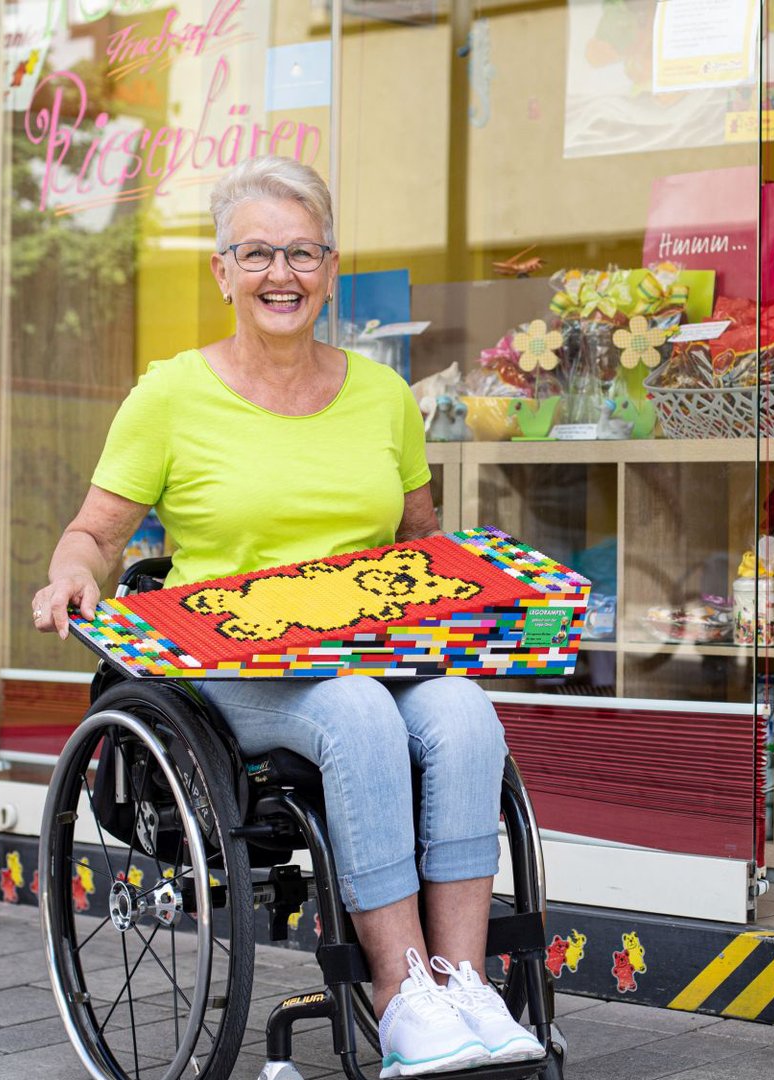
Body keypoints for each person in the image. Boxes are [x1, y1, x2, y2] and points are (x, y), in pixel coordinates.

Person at [31, 155, 541, 1078]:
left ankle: (463, 984)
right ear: (222, 271)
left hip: (377, 647)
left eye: (302, 253)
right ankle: (401, 996)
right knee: (353, 710)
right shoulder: (171, 395)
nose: (281, 274)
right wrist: (72, 576)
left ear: (331, 267)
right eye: (257, 253)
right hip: (237, 672)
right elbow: (94, 533)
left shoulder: (384, 398)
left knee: (462, 711)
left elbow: (421, 545)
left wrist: (490, 601)